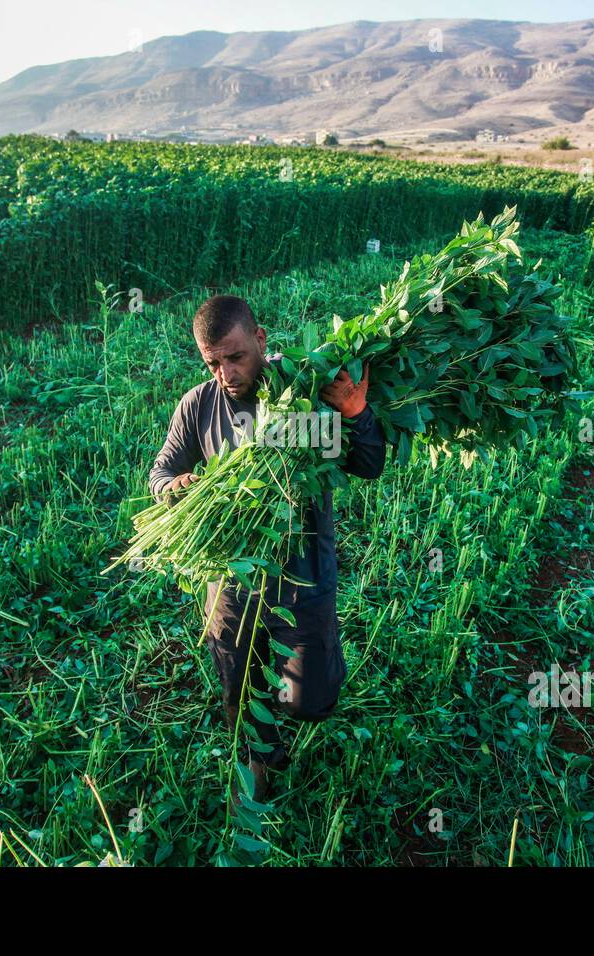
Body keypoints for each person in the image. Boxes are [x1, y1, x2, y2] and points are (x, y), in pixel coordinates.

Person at [148, 295, 387, 803]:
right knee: (237, 685)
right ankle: (262, 756)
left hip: (302, 575)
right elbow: (161, 472)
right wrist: (175, 487)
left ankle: (317, 670)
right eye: (212, 362)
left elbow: (368, 464)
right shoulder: (198, 405)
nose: (225, 374)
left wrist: (355, 411)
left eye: (234, 357)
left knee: (311, 703)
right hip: (233, 582)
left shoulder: (303, 391)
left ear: (260, 340)